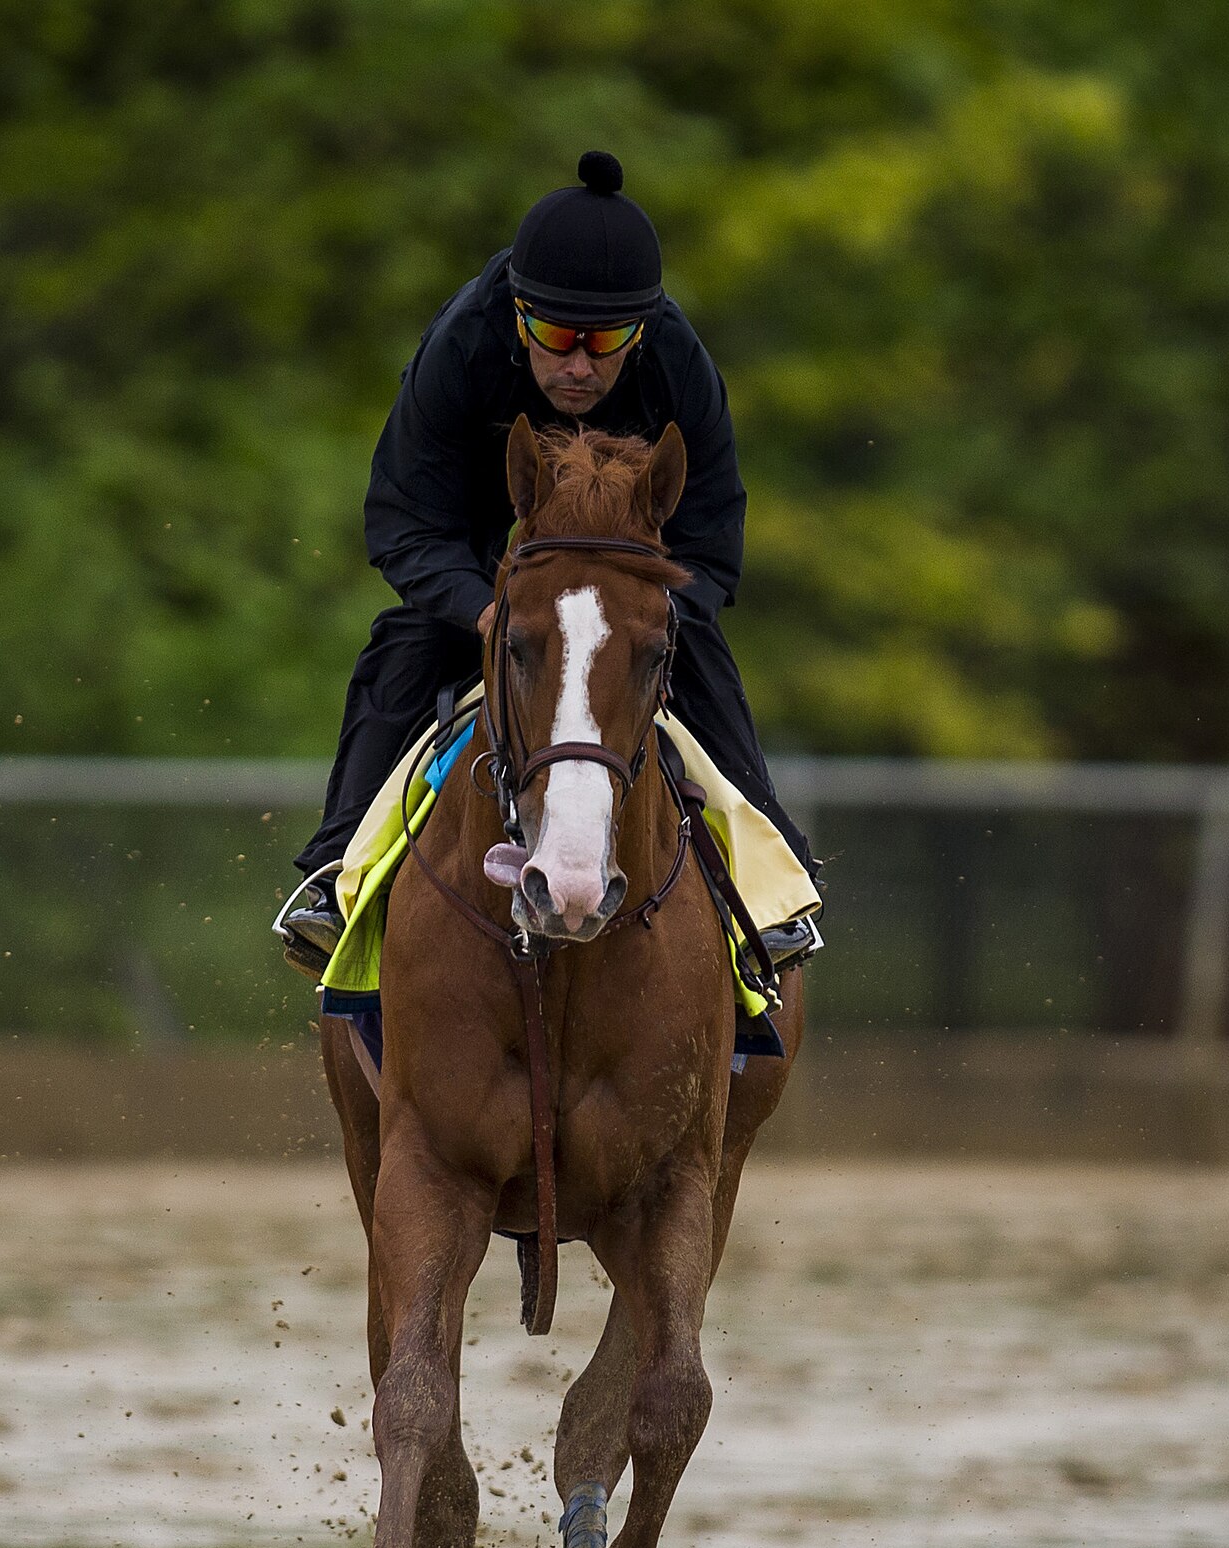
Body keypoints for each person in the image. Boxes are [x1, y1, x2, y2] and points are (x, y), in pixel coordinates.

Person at [275, 150, 821, 978]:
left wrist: (650, 621)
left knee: (703, 664)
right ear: (516, 313)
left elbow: (712, 539)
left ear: (642, 330)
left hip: (624, 595)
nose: (577, 364)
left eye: (606, 342)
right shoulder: (461, 345)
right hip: (490, 589)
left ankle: (769, 893)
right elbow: (402, 521)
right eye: (553, 336)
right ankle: (333, 875)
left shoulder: (679, 363)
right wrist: (485, 610)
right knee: (399, 653)